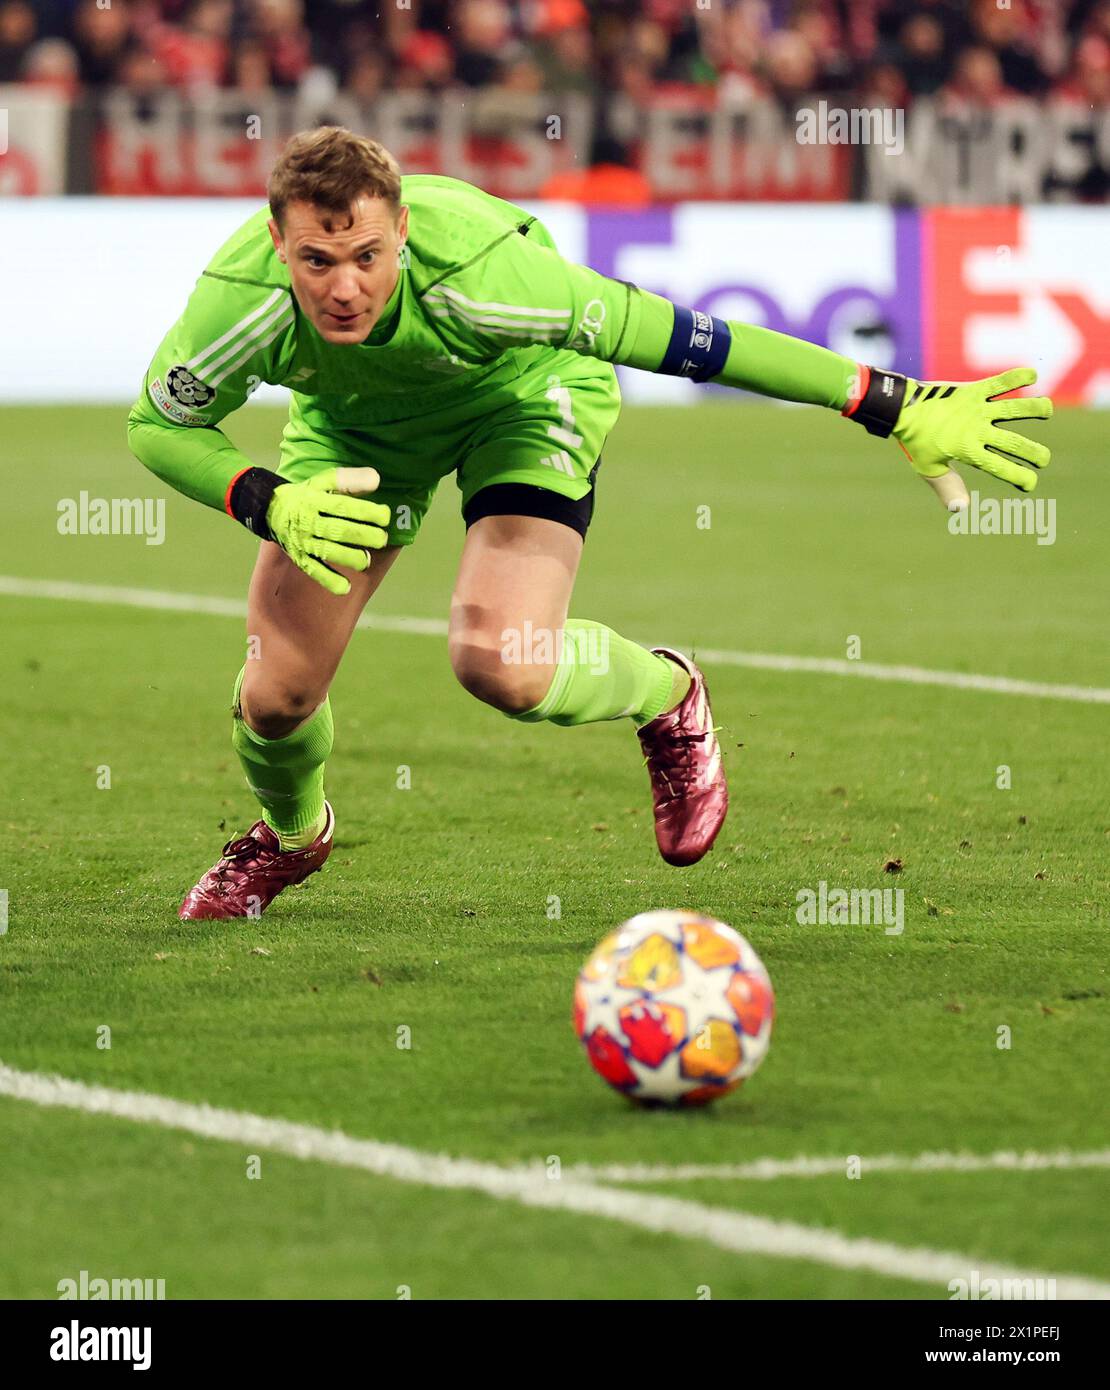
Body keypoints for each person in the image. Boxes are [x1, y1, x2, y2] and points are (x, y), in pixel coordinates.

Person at [127, 126, 1052, 919]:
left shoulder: (491, 278)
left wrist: (878, 397)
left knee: (502, 664)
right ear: (277, 244)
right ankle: (291, 837)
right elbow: (157, 425)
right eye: (316, 261)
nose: (343, 288)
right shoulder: (238, 303)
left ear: (402, 233)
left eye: (368, 256)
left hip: (524, 403)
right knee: (275, 696)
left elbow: (689, 337)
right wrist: (266, 496)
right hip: (356, 431)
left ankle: (665, 694)